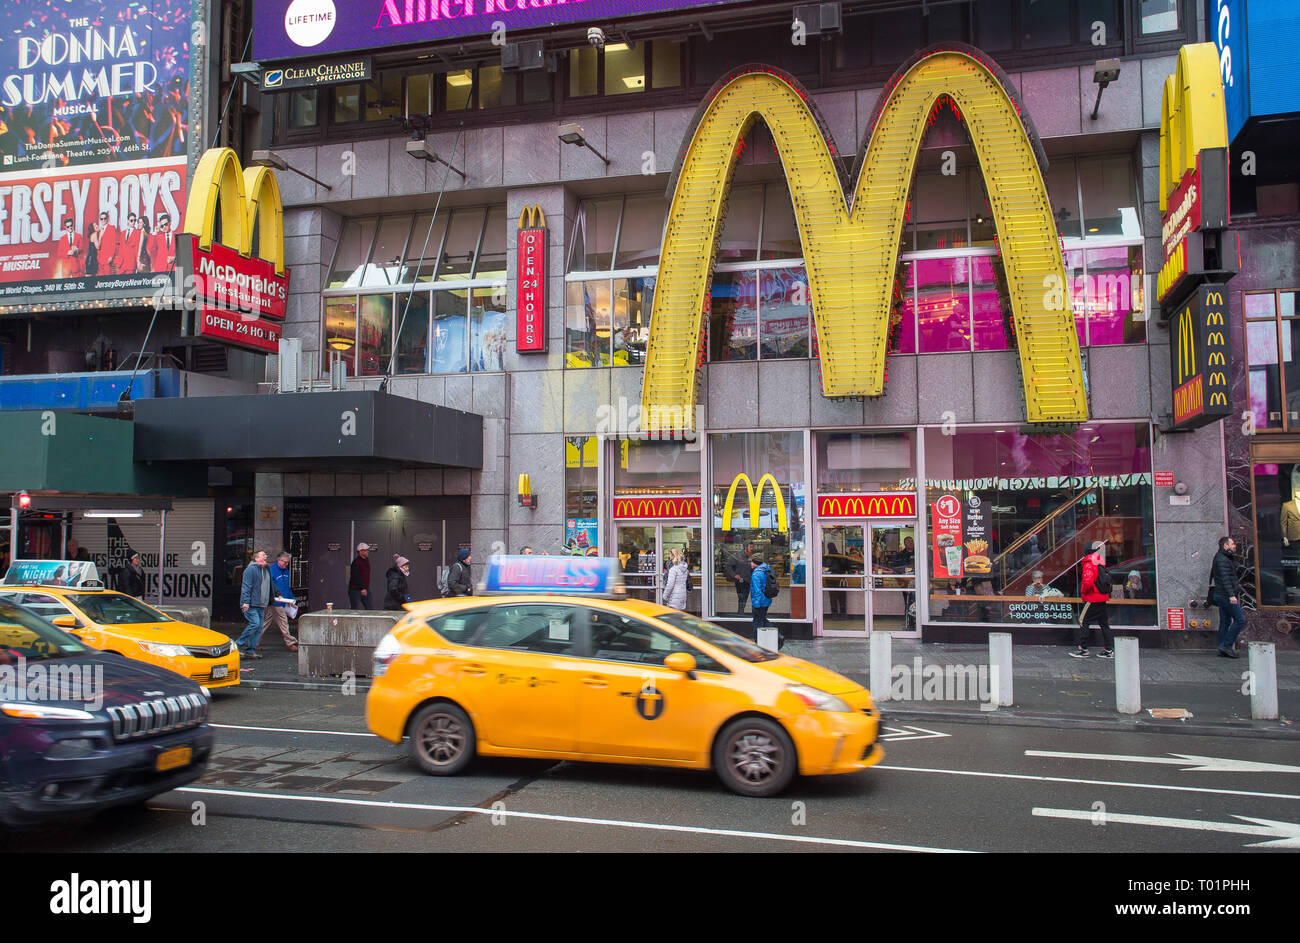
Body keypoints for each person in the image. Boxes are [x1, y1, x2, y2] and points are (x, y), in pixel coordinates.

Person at [1072, 540, 1114, 658]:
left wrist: (1083, 593)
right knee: (1104, 624)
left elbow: (1088, 582)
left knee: (1083, 621)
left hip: (1092, 598)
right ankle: (1108, 649)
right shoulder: (1099, 563)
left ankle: (1083, 648)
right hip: (1102, 598)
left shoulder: (1089, 564)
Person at [1211, 536, 1246, 658]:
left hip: (1221, 594)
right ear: (1225, 546)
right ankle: (1226, 645)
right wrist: (1231, 595)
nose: (1234, 545)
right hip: (1225, 595)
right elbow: (1225, 579)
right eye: (1232, 544)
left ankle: (1223, 647)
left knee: (1225, 621)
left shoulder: (1223, 557)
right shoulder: (1222, 559)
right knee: (1240, 619)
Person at [236, 549, 273, 659]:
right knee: (255, 624)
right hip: (251, 604)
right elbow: (246, 586)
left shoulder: (266, 569)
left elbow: (270, 584)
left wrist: (277, 595)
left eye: (265, 554)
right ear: (256, 558)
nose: (265, 556)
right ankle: (237, 644)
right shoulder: (250, 570)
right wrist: (246, 602)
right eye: (263, 555)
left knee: (259, 627)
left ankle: (250, 651)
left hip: (261, 604)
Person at [264, 550, 298, 652]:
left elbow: (287, 587)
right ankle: (290, 642)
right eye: (285, 562)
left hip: (283, 600)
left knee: (265, 622)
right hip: (276, 601)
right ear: (279, 560)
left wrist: (291, 599)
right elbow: (270, 587)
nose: (286, 564)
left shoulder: (286, 571)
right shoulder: (271, 570)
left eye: (287, 562)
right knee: (283, 622)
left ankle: (252, 640)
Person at [723, 542, 752, 615]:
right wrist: (734, 575)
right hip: (740, 581)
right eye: (750, 547)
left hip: (748, 581)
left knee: (745, 597)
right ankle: (740, 613)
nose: (752, 549)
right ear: (745, 548)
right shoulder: (737, 556)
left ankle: (741, 613)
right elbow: (727, 566)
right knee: (742, 598)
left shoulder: (749, 556)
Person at [750, 552, 775, 634]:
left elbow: (757, 591)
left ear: (755, 563)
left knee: (757, 623)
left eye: (752, 561)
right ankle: (777, 636)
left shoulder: (756, 574)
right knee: (763, 619)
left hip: (760, 602)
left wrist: (756, 606)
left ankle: (758, 641)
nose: (750, 563)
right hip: (766, 600)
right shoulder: (766, 569)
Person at [348, 542, 372, 609]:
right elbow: (356, 577)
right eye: (365, 550)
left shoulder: (367, 560)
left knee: (369, 608)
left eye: (367, 550)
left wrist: (365, 588)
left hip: (366, 588)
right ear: (360, 552)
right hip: (355, 590)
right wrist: (362, 588)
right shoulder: (356, 562)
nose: (367, 552)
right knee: (355, 609)